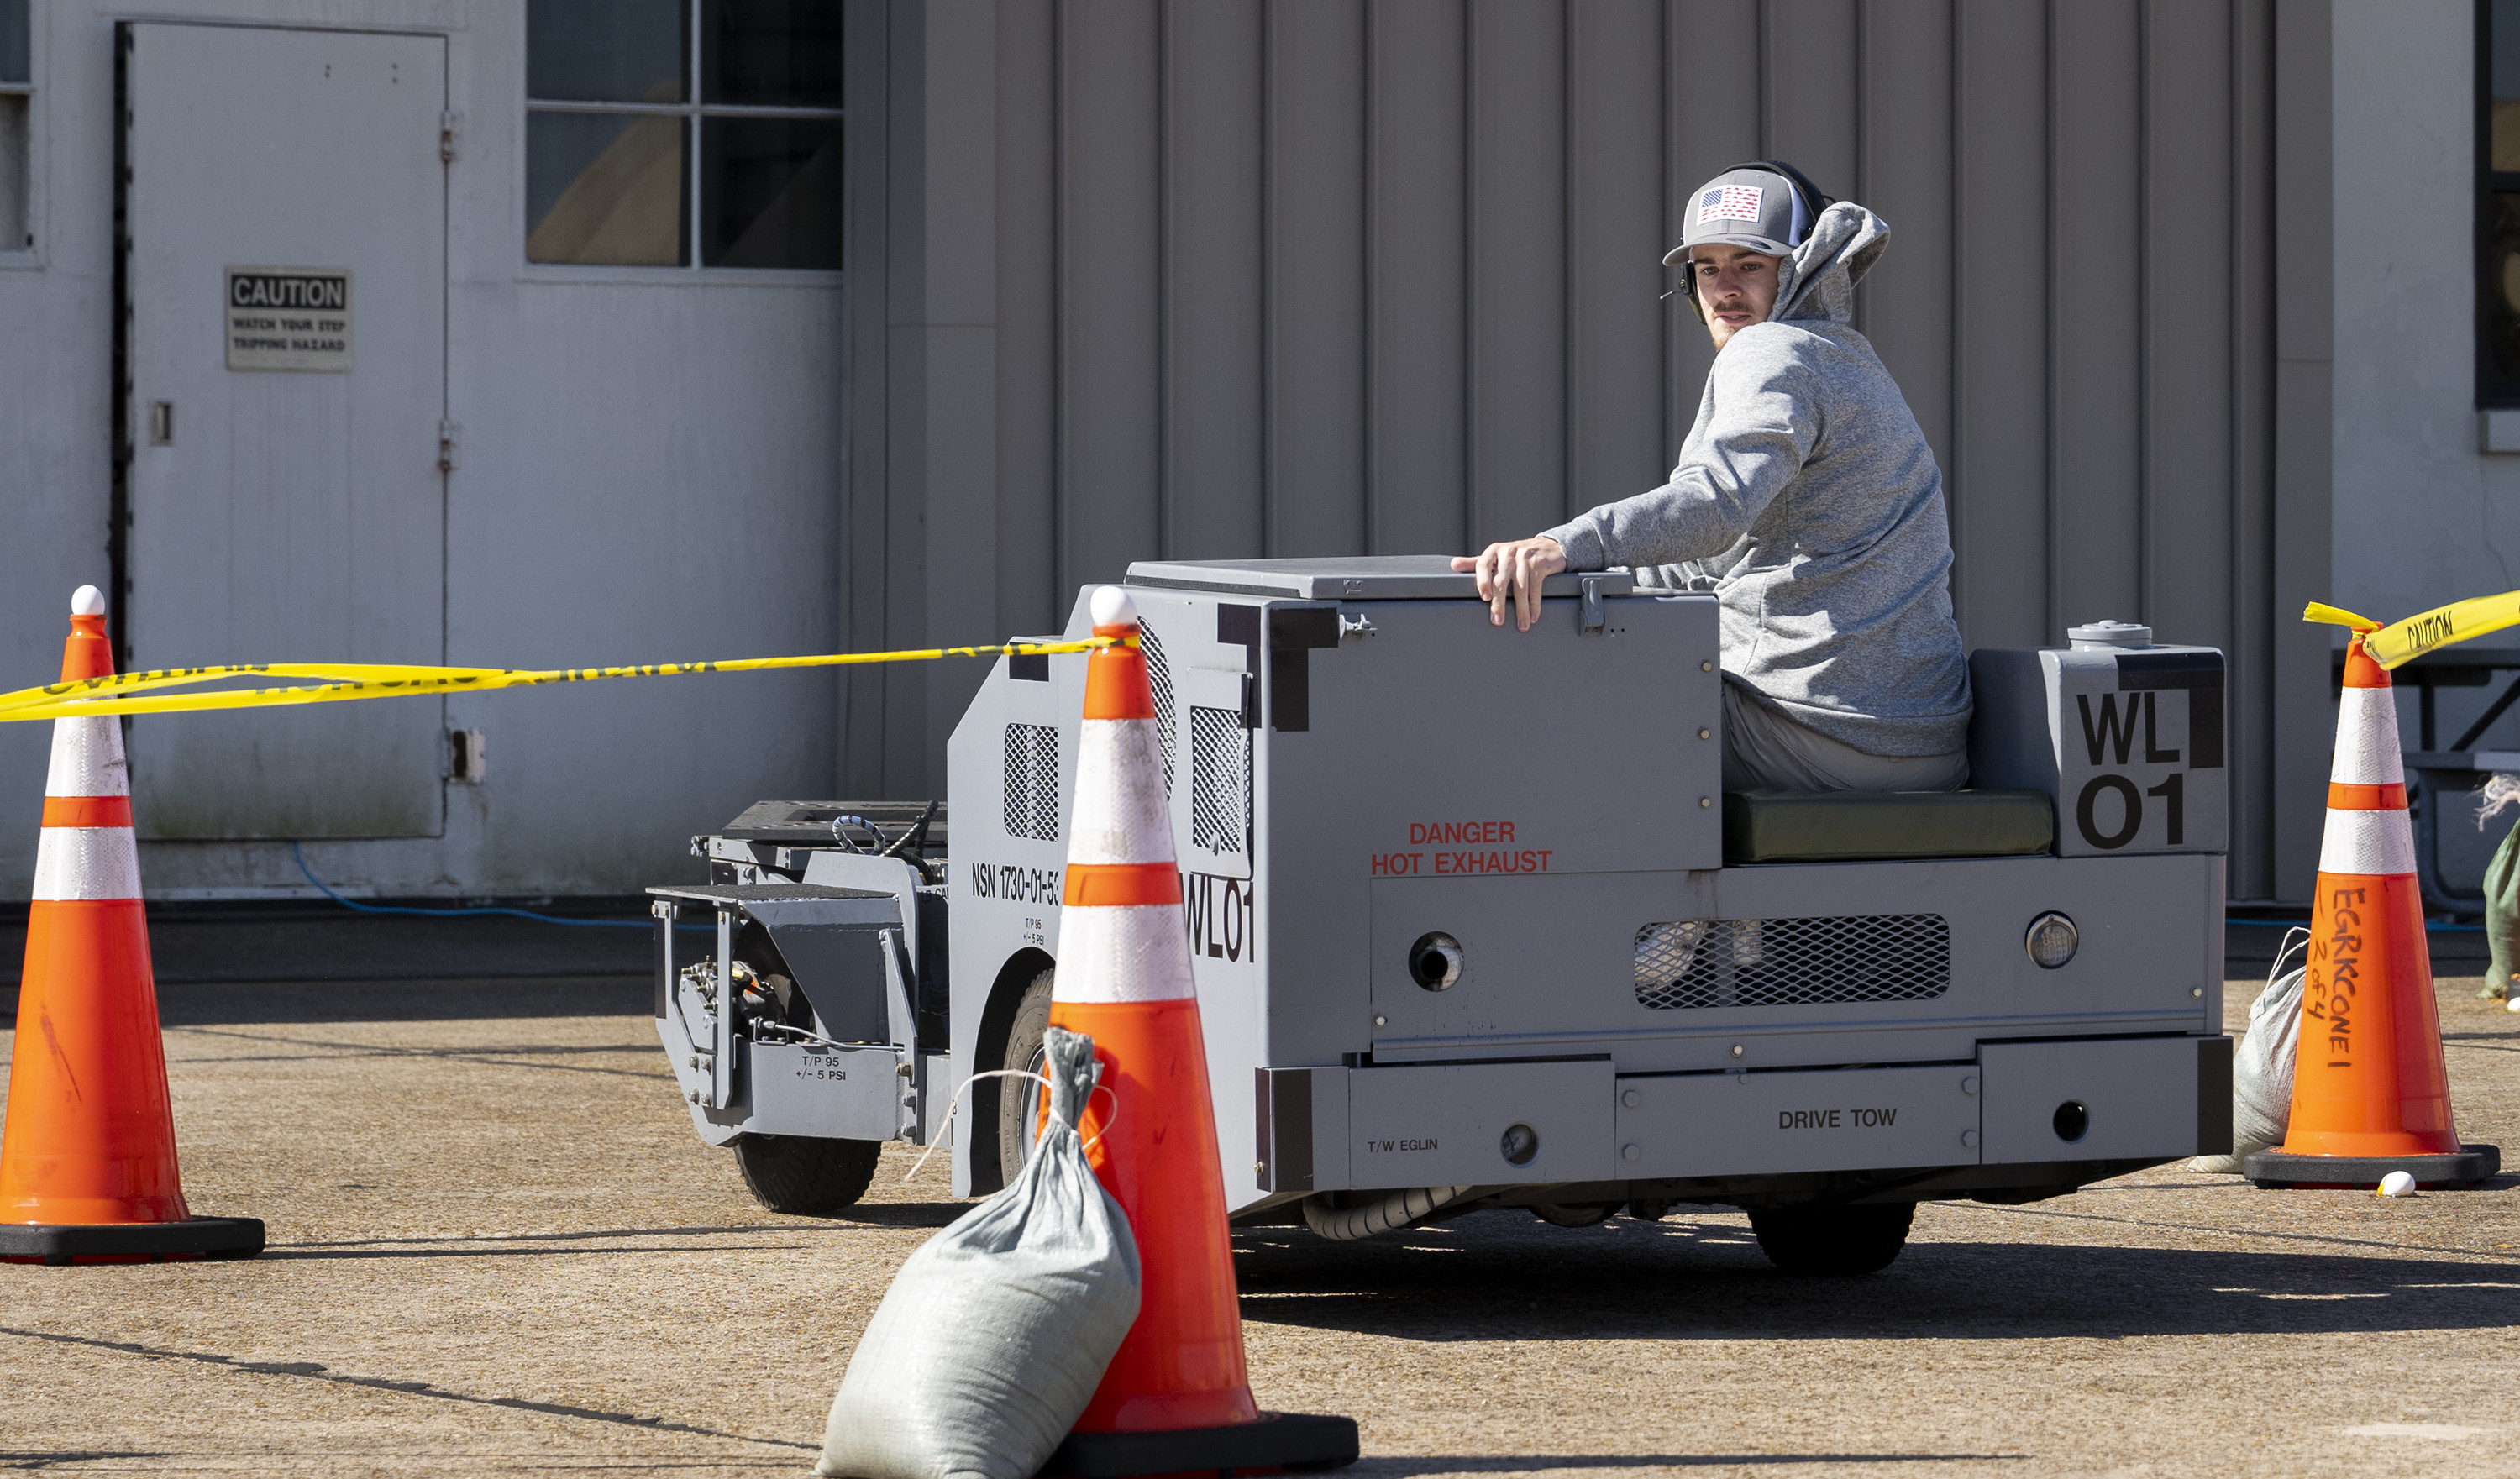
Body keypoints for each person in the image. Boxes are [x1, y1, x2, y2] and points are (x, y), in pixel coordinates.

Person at [1453, 162, 1971, 794]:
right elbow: (1722, 554)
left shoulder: (1770, 350)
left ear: (1799, 266)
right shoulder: (1849, 362)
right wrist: (1582, 572)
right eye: (1705, 268)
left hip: (1808, 732)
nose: (1724, 288)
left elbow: (1713, 506)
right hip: (1929, 747)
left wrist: (1566, 544)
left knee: (1527, 728)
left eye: (1750, 263)